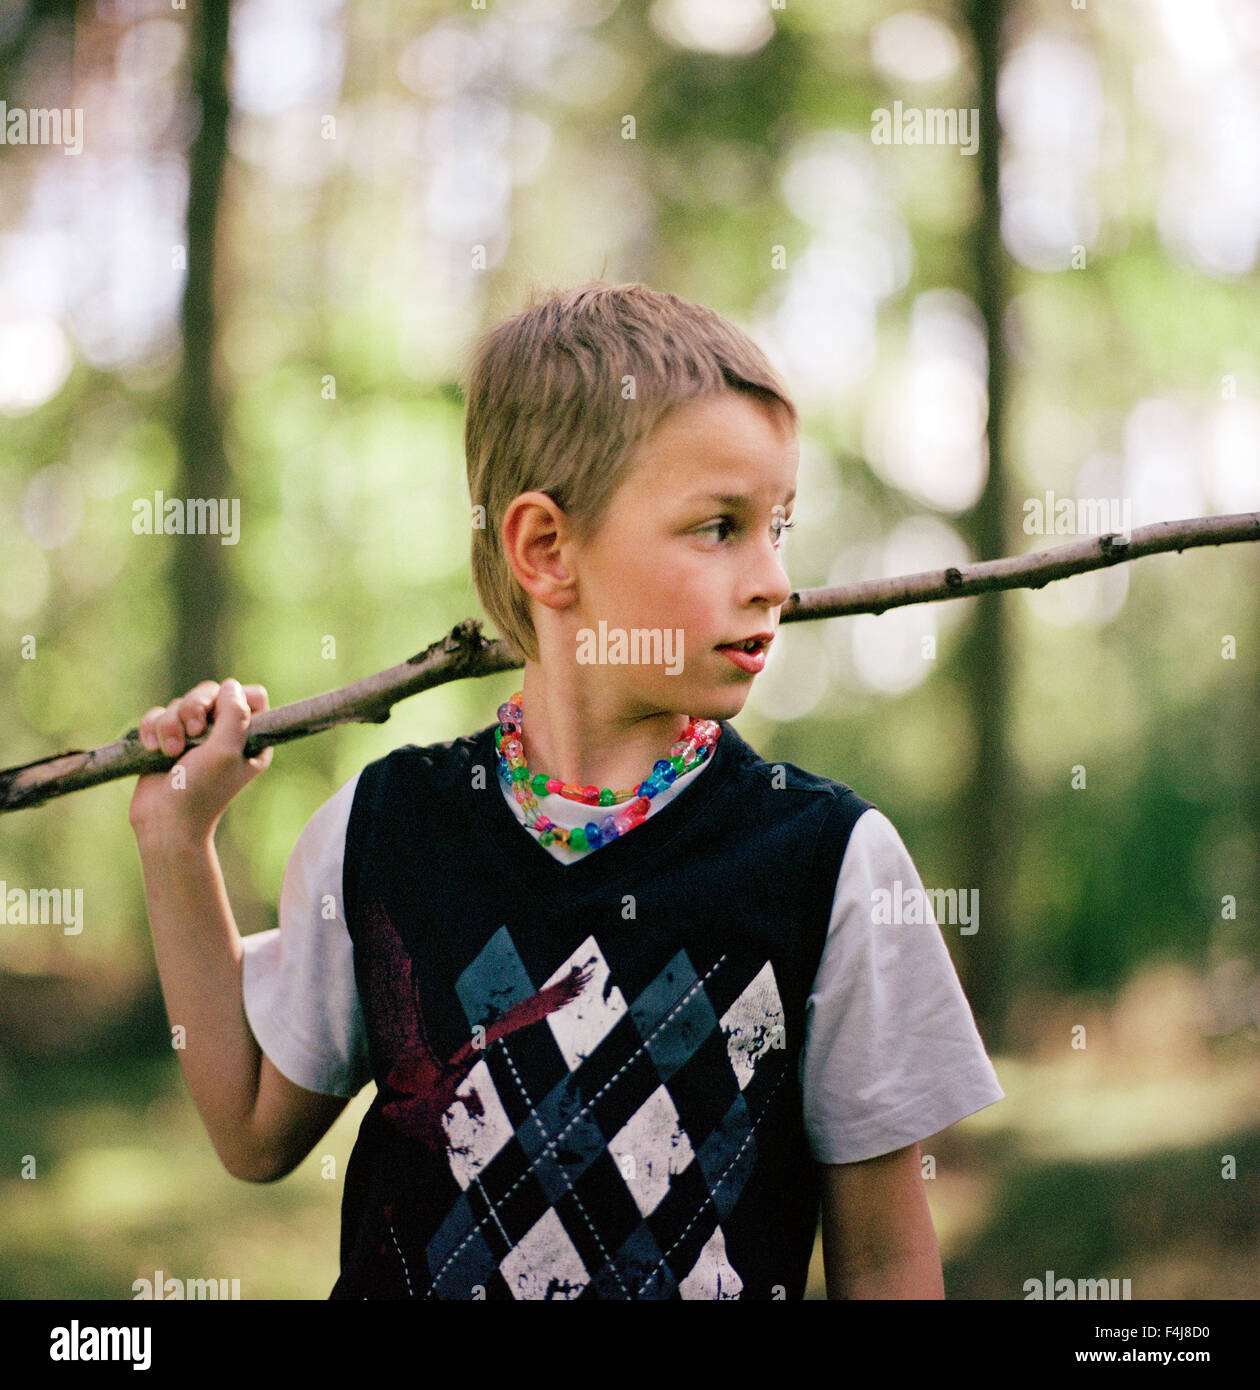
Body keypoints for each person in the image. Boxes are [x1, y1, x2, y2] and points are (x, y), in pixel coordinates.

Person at [129, 281, 1003, 1300]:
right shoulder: (387, 831)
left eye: (781, 527)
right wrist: (174, 840)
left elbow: (889, 1260)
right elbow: (249, 1127)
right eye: (720, 526)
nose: (773, 578)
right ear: (547, 550)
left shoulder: (827, 863)